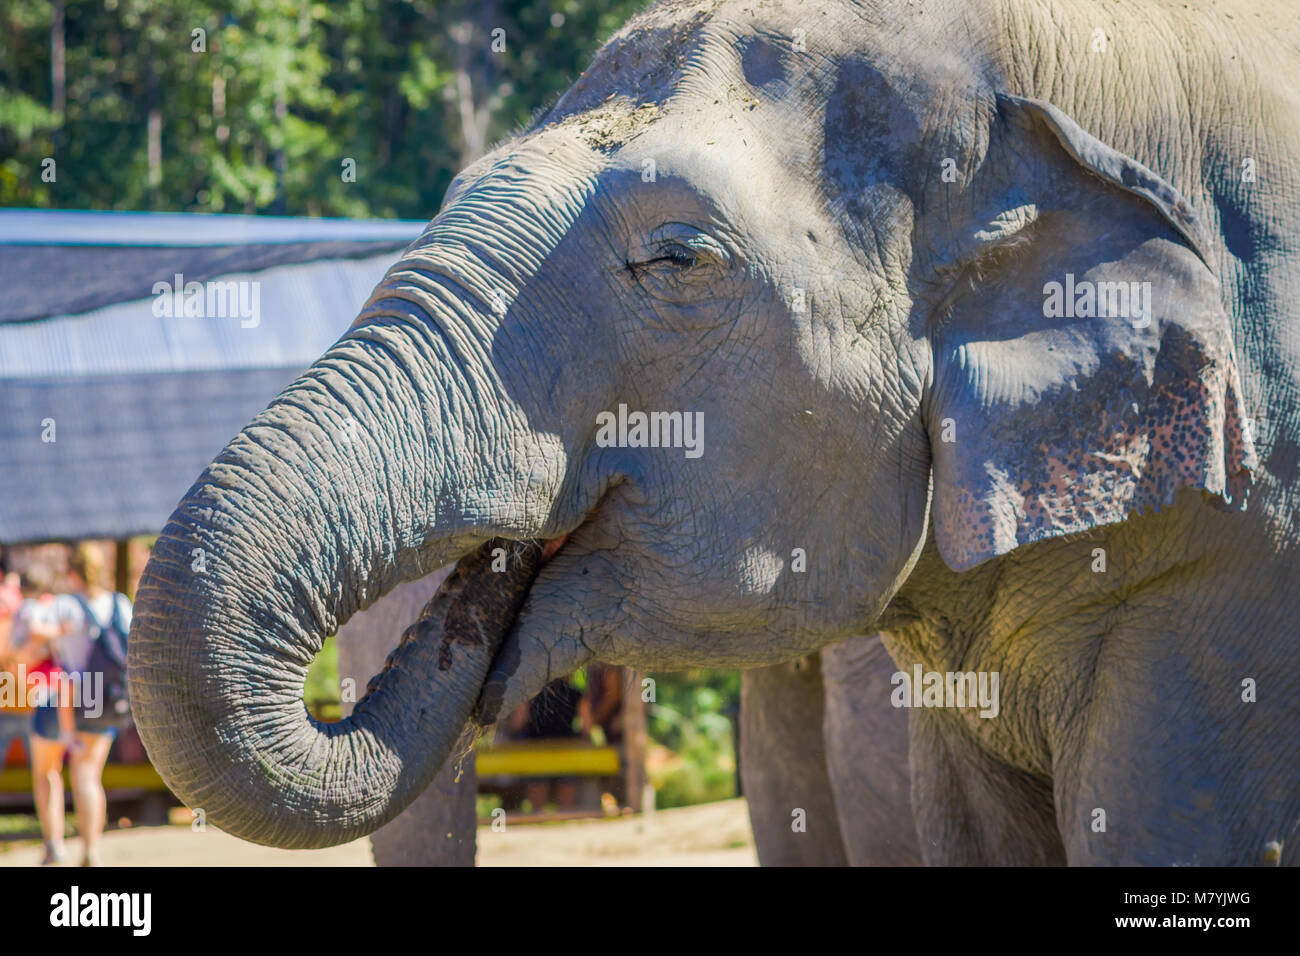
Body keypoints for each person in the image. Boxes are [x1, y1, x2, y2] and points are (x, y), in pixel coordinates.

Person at [28, 543, 133, 867]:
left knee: (47, 773)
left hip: (65, 702)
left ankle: (54, 845)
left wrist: (56, 634)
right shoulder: (119, 603)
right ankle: (91, 852)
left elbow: (32, 633)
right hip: (104, 704)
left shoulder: (63, 605)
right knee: (88, 776)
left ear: (71, 572)